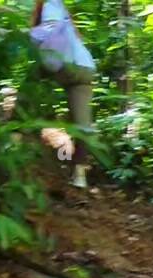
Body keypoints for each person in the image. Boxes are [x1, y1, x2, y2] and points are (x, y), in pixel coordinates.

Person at [30, 0, 97, 189]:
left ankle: (17, 132)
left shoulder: (51, 3)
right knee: (82, 122)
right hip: (86, 68)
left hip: (65, 65)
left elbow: (50, 27)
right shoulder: (65, 14)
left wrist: (25, 36)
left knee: (32, 78)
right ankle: (79, 175)